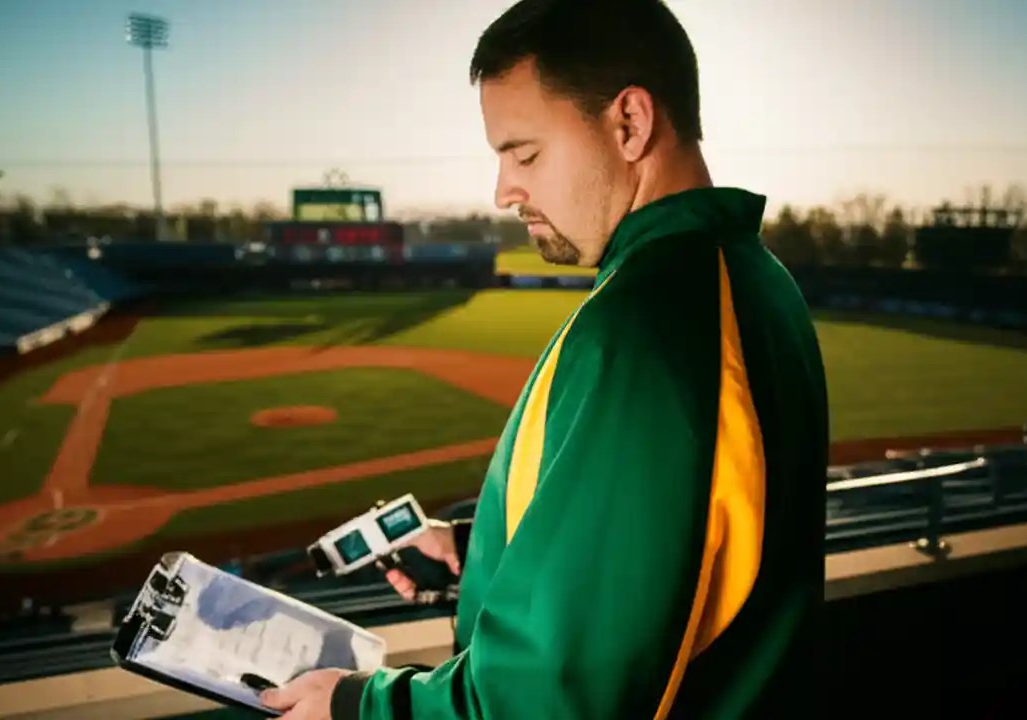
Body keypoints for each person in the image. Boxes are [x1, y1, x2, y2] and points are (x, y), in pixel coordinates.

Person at [262, 0, 829, 717]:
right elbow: (679, 543)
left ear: (630, 123)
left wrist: (357, 708)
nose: (504, 191)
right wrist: (484, 551)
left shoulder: (643, 326)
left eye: (524, 153)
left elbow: (553, 700)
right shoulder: (750, 274)